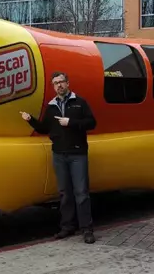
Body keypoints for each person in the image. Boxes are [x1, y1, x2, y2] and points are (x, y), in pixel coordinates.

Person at [19, 71, 97, 244]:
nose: (59, 85)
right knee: (64, 193)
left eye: (61, 82)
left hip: (78, 154)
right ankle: (67, 227)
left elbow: (91, 123)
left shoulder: (79, 102)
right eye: (55, 83)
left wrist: (71, 122)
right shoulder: (51, 106)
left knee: (81, 193)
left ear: (68, 83)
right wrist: (30, 119)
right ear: (53, 86)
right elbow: (44, 129)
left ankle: (87, 229)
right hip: (59, 155)